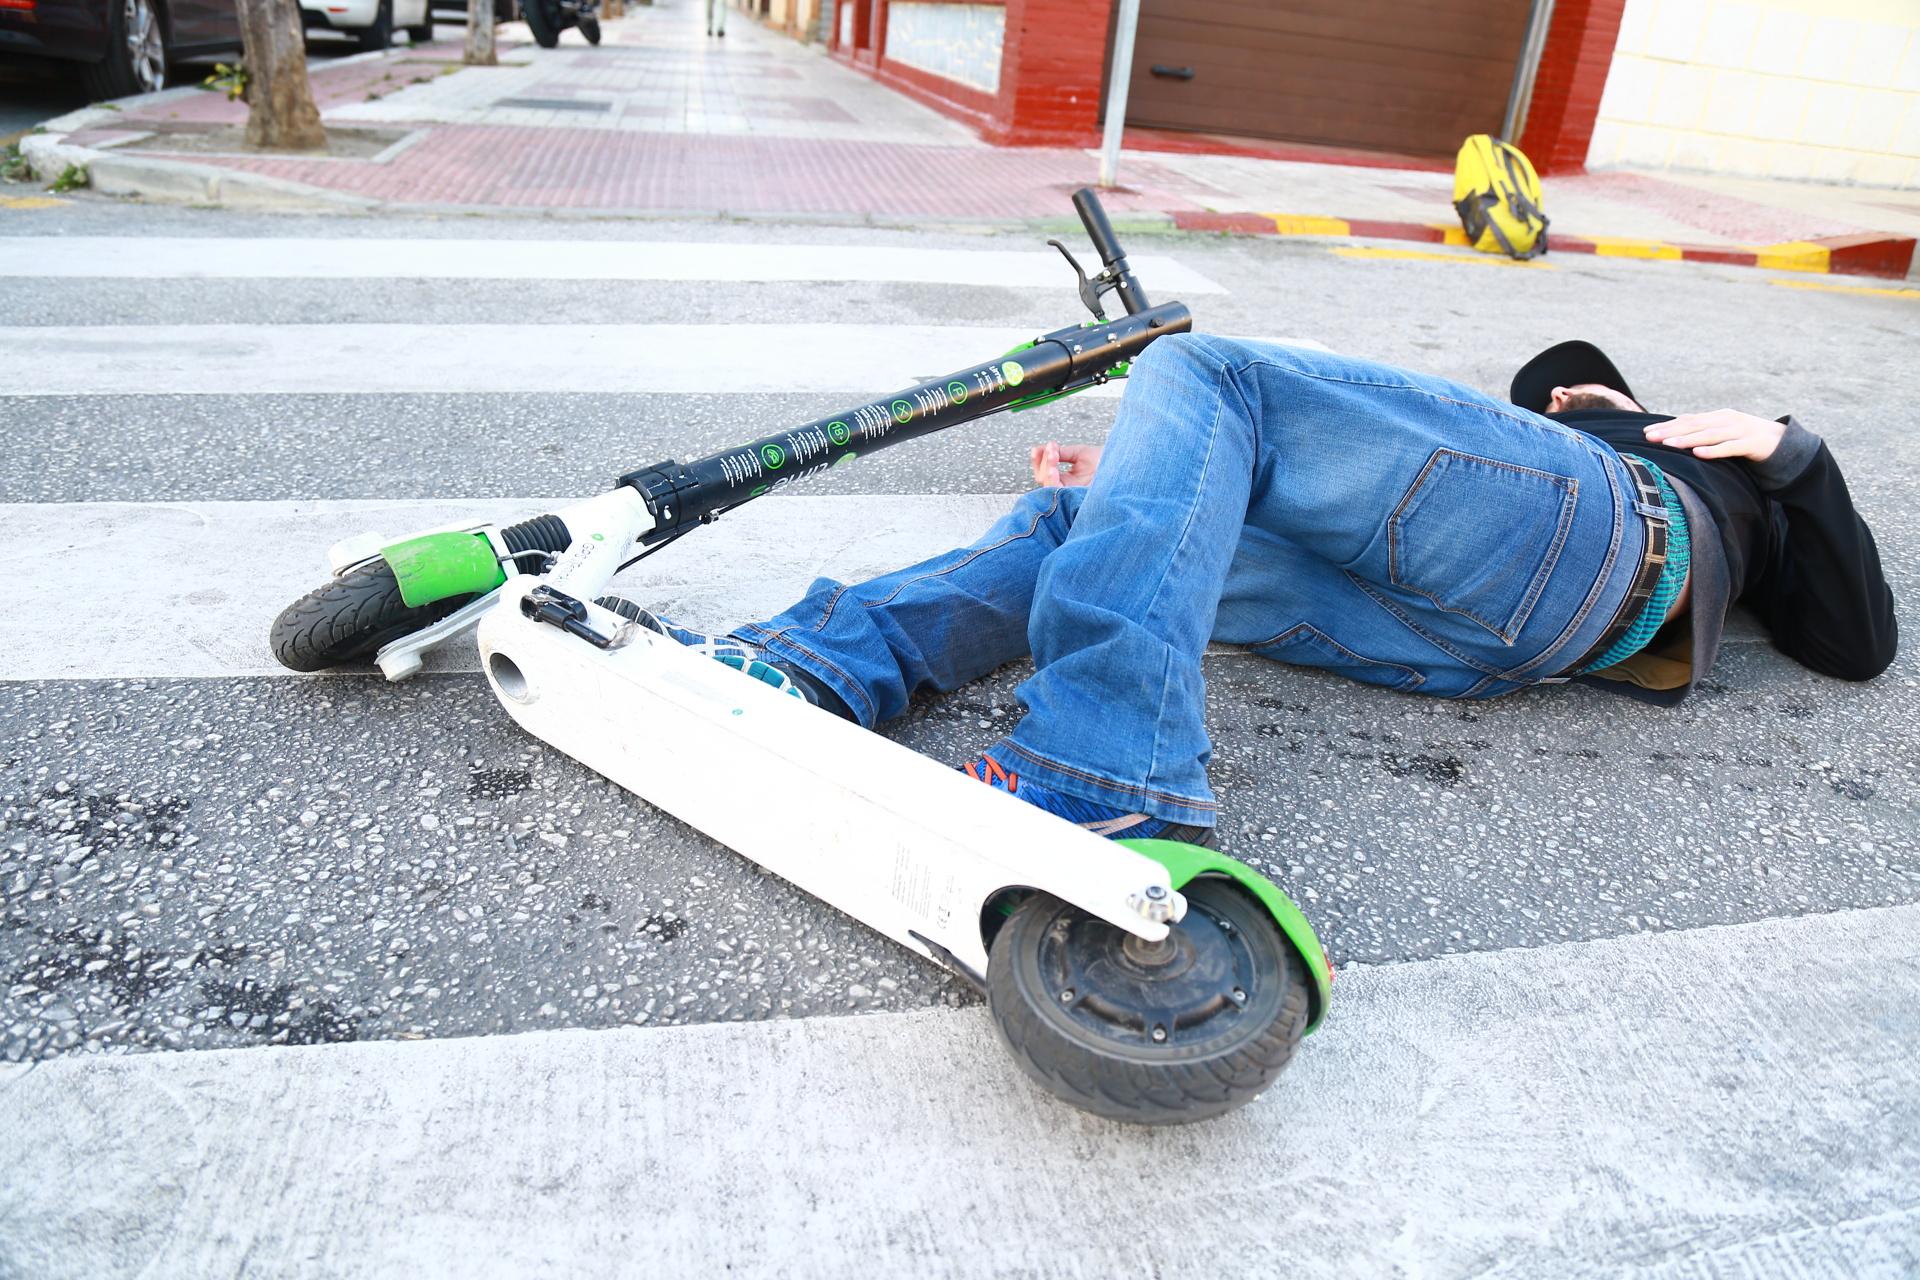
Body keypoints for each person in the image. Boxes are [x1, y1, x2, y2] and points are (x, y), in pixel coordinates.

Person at [605, 336, 1897, 848]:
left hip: (1606, 545)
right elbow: (1257, 500)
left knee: (1204, 369)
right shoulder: (1530, 470)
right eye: (1551, 397)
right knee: (1078, 519)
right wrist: (1143, 484)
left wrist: (1795, 452)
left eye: (1582, 392)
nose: (1561, 399)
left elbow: (1863, 645)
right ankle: (824, 663)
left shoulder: (1695, 462)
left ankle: (1110, 764)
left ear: (1622, 405)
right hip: (1488, 646)